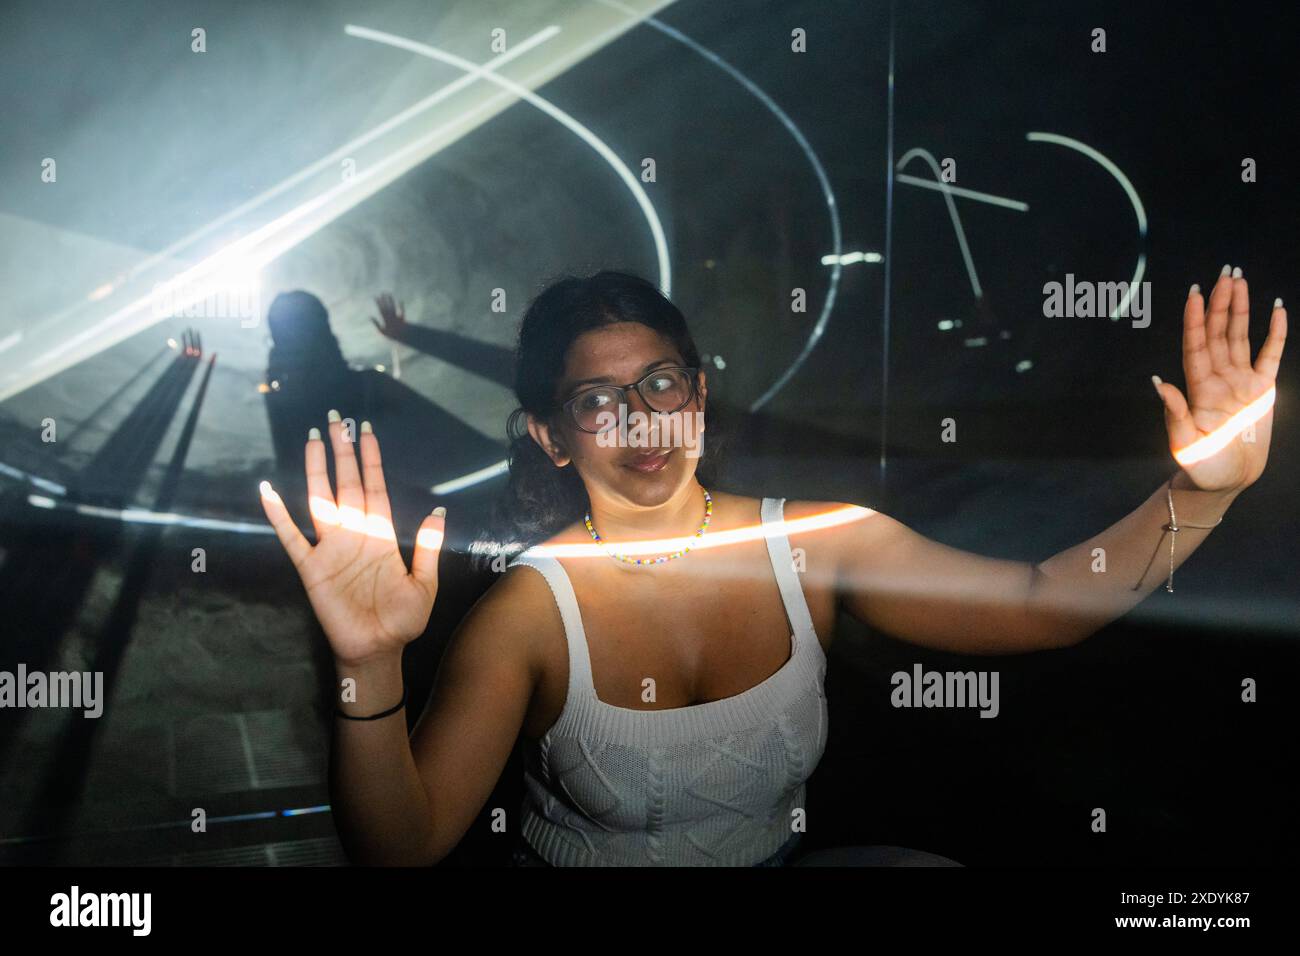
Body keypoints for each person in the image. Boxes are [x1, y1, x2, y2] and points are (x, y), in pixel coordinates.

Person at [256, 268, 1285, 866]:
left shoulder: (818, 537)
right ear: (552, 434)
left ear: (697, 390)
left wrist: (1203, 493)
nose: (641, 417)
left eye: (661, 380)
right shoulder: (529, 611)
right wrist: (371, 668)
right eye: (597, 398)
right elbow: (408, 842)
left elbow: (1045, 603)